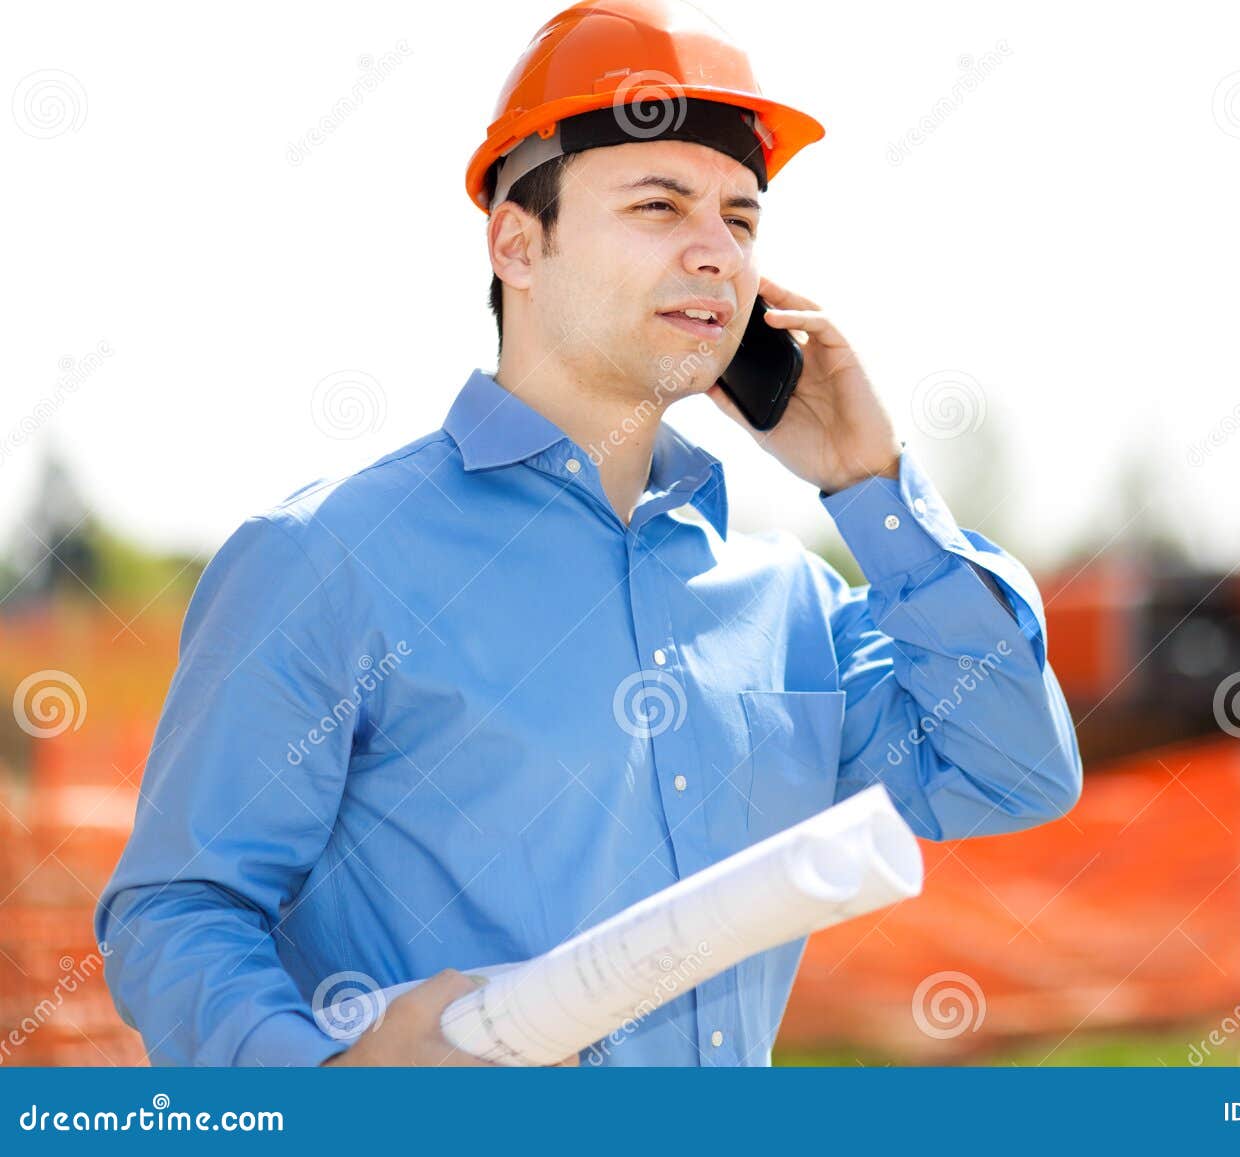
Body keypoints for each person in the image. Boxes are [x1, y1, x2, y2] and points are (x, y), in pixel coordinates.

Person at [94, 0, 1083, 1067]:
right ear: (518, 242)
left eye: (741, 220)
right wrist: (330, 1081)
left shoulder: (791, 603)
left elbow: (1013, 770)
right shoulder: (325, 558)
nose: (717, 253)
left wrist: (871, 486)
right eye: (660, 206)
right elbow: (178, 911)